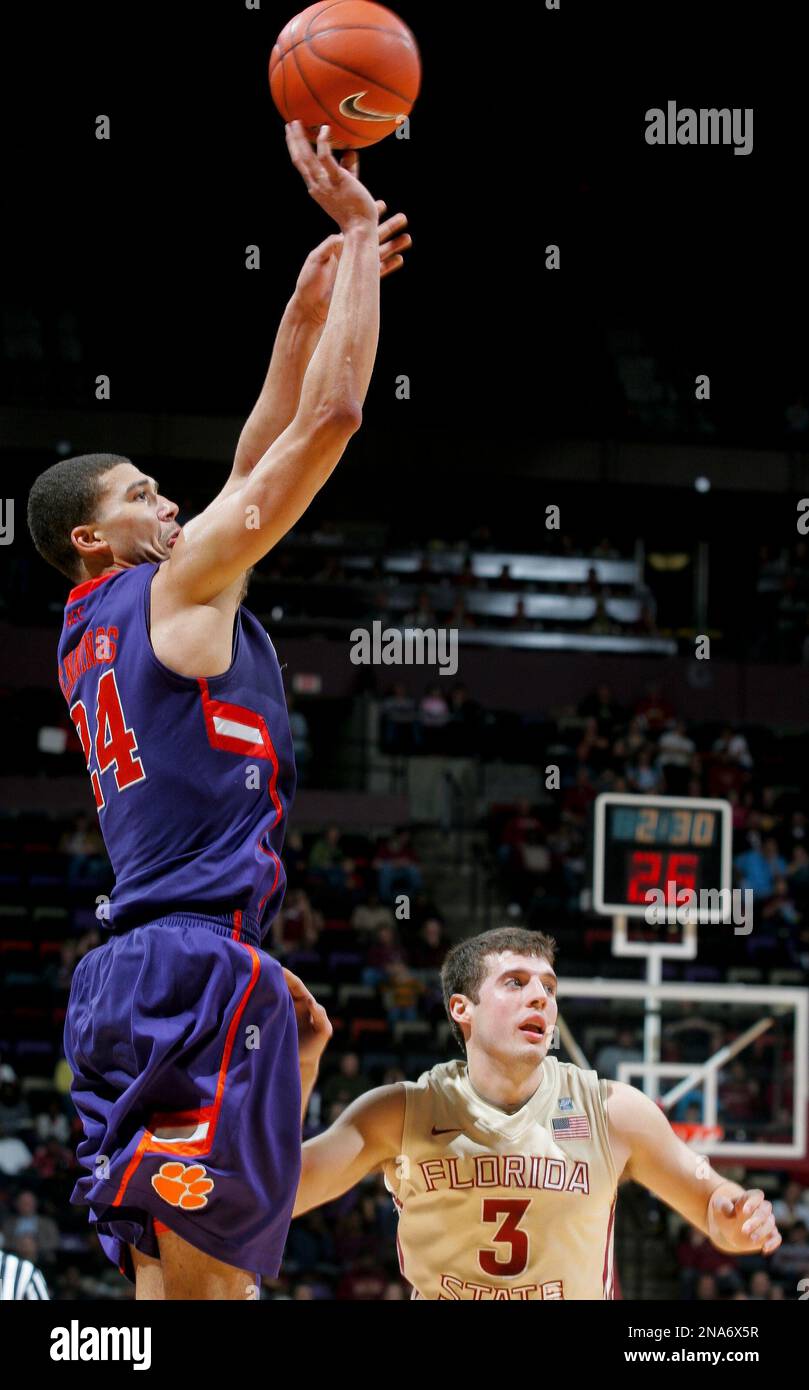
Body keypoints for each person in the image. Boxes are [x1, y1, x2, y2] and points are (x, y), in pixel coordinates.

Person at [24, 121, 410, 1301]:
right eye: (143, 493)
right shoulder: (176, 587)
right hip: (188, 970)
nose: (172, 496)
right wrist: (352, 233)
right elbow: (329, 421)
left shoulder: (109, 622)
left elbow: (257, 445)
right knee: (206, 1304)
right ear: (94, 537)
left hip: (147, 971)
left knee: (176, 1297)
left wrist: (306, 302)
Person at [289, 927, 783, 1300]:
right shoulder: (400, 1111)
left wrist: (736, 1214)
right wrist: (303, 1064)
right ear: (463, 1009)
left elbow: (713, 1202)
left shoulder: (613, 1111)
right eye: (515, 982)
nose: (540, 997)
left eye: (548, 986)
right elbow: (281, 1194)